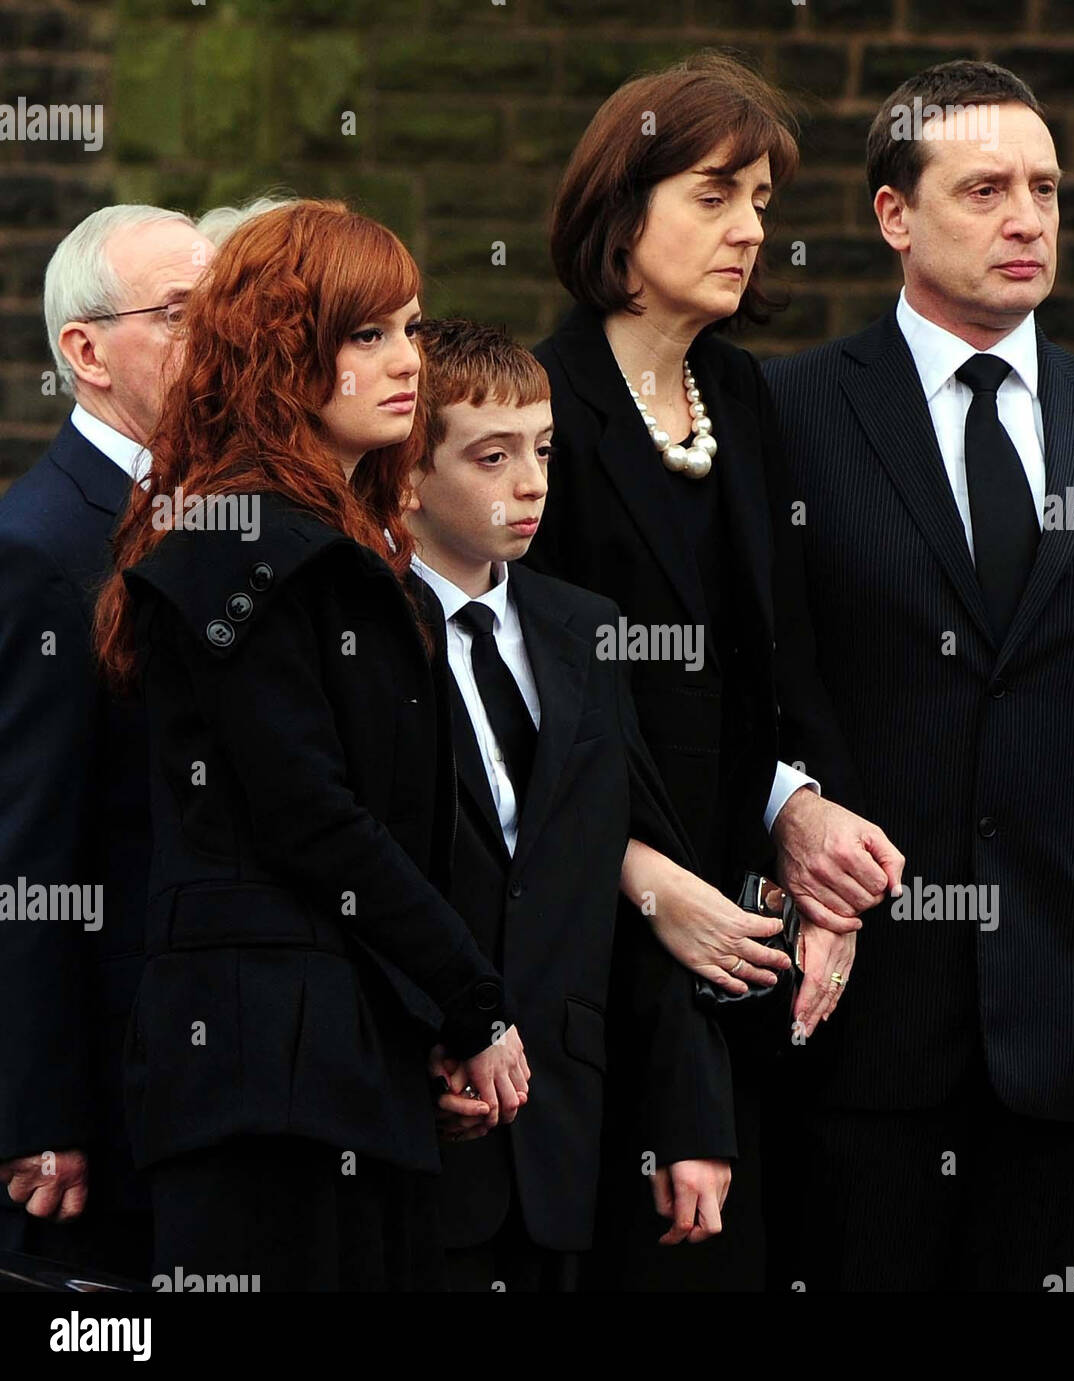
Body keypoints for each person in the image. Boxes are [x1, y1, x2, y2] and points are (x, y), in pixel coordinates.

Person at [762, 59, 1074, 1290]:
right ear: (893, 216)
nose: (1027, 219)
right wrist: (783, 805)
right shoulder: (786, 416)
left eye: (1045, 189)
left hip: (1066, 1024)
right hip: (849, 1023)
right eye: (984, 190)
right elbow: (729, 690)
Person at [92, 200, 526, 1292]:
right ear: (282, 353)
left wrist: (425, 1019)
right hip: (257, 1078)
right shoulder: (237, 542)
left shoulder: (332, 545)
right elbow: (311, 816)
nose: (407, 363)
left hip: (338, 1066)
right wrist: (470, 1001)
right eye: (366, 334)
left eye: (415, 330)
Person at [527, 51, 905, 1291]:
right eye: (714, 193)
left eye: (762, 201)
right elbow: (508, 721)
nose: (750, 229)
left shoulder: (740, 399)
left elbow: (778, 677)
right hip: (588, 964)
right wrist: (646, 882)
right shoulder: (536, 414)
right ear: (619, 208)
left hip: (744, 955)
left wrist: (804, 821)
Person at [403, 318, 743, 1289]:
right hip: (419, 1137)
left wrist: (688, 1119)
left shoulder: (585, 631)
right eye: (491, 454)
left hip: (565, 1141)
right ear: (409, 471)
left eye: (544, 450)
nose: (531, 481)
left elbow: (637, 869)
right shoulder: (366, 630)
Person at [0, 205, 215, 1280]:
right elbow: (27, 853)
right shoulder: (42, 545)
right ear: (84, 350)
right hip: (105, 1084)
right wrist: (39, 1108)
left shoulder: (217, 508)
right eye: (182, 314)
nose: (217, 339)